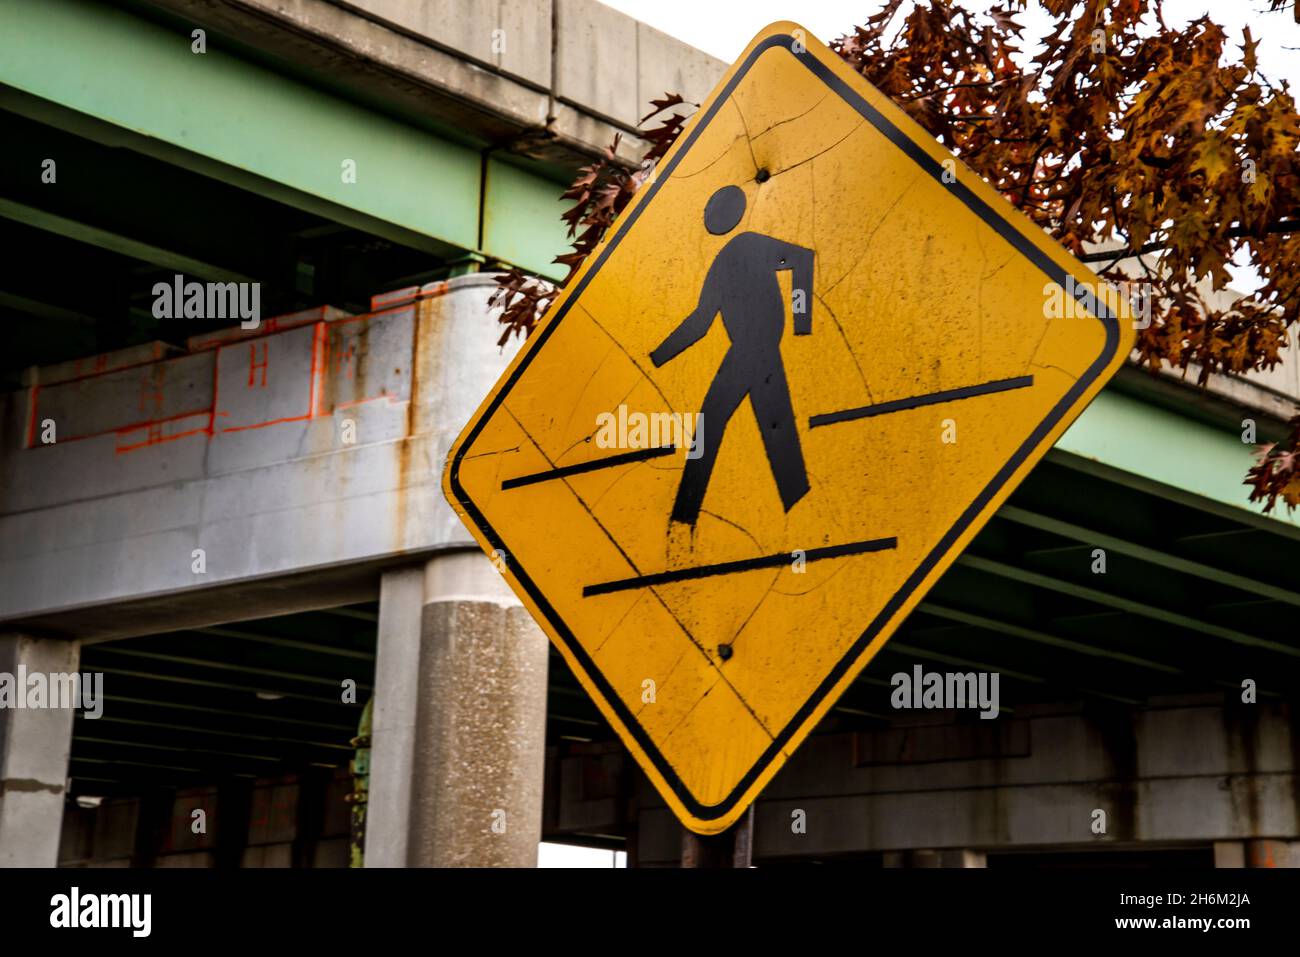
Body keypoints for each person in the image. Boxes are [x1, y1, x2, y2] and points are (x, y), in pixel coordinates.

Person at [650, 184, 815, 526]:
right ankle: (799, 505)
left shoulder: (749, 244)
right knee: (774, 425)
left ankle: (684, 513)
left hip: (757, 346)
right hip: (749, 349)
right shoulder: (720, 264)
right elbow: (700, 322)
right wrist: (656, 358)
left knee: (717, 422)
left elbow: (802, 258)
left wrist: (802, 321)